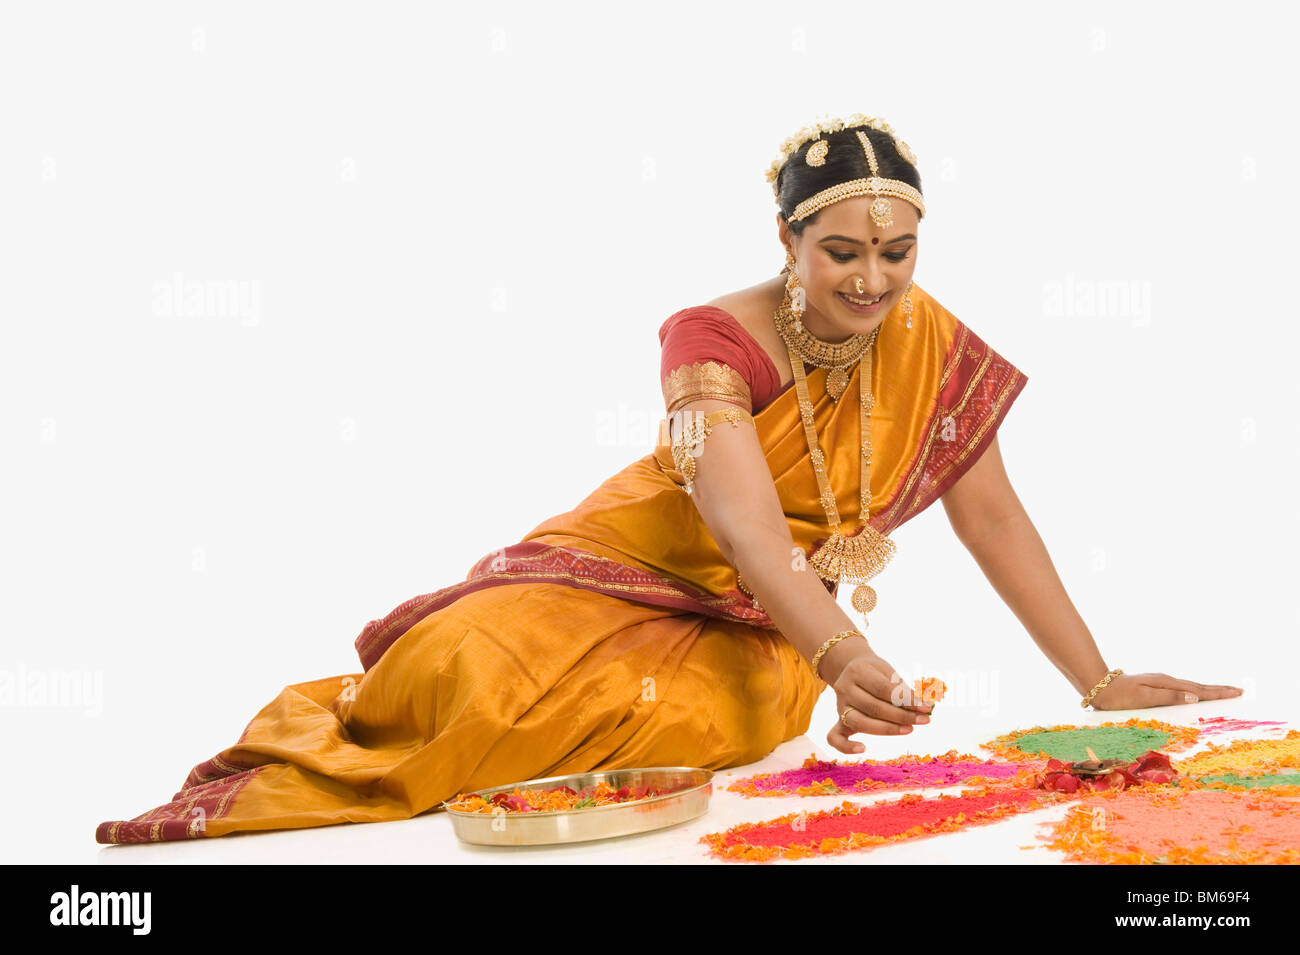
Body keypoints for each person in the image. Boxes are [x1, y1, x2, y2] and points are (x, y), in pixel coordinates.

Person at [95, 112, 1242, 845]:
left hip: (761, 626)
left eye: (896, 254)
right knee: (461, 675)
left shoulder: (927, 339)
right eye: (841, 251)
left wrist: (1094, 678)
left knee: (730, 715)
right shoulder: (709, 335)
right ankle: (368, 731)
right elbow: (743, 525)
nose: (871, 280)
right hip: (627, 565)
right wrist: (843, 654)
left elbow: (991, 514)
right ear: (788, 244)